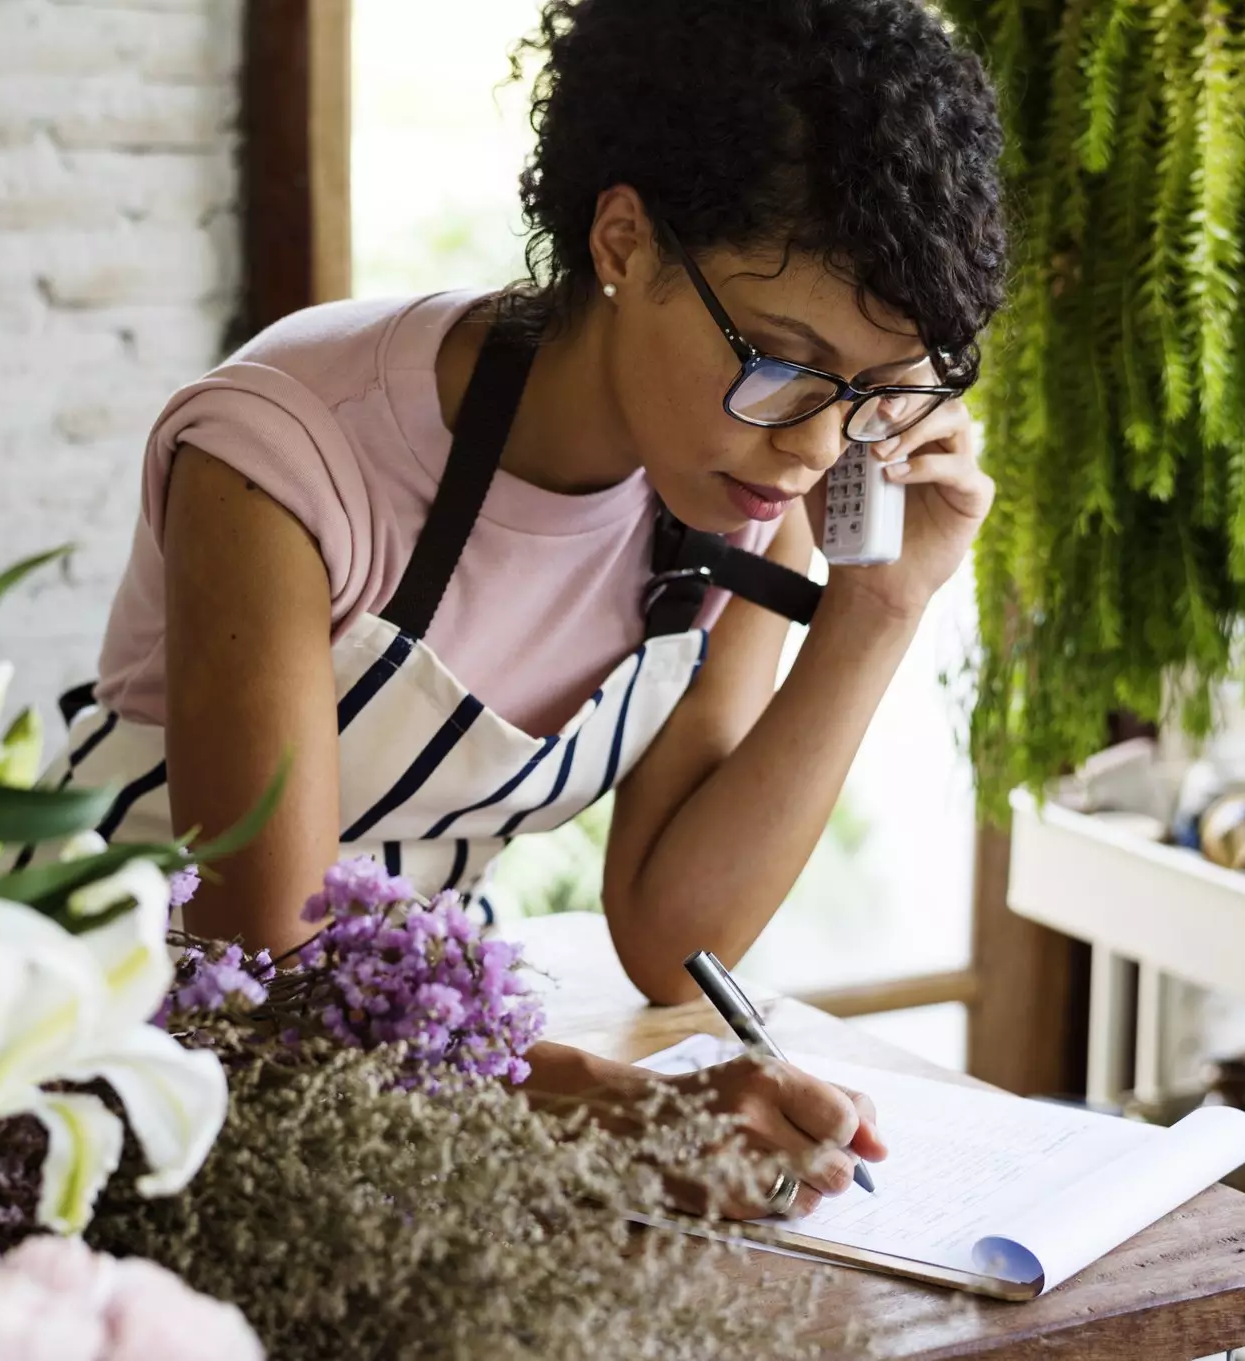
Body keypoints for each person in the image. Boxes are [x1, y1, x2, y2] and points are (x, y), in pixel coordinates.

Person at [52, 0, 1007, 1220]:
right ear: (625, 242)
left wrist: (881, 601)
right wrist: (617, 1107)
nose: (820, 447)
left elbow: (674, 934)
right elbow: (267, 979)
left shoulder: (736, 489)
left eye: (875, 392)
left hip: (427, 1101)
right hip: (123, 1060)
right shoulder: (286, 454)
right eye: (778, 360)